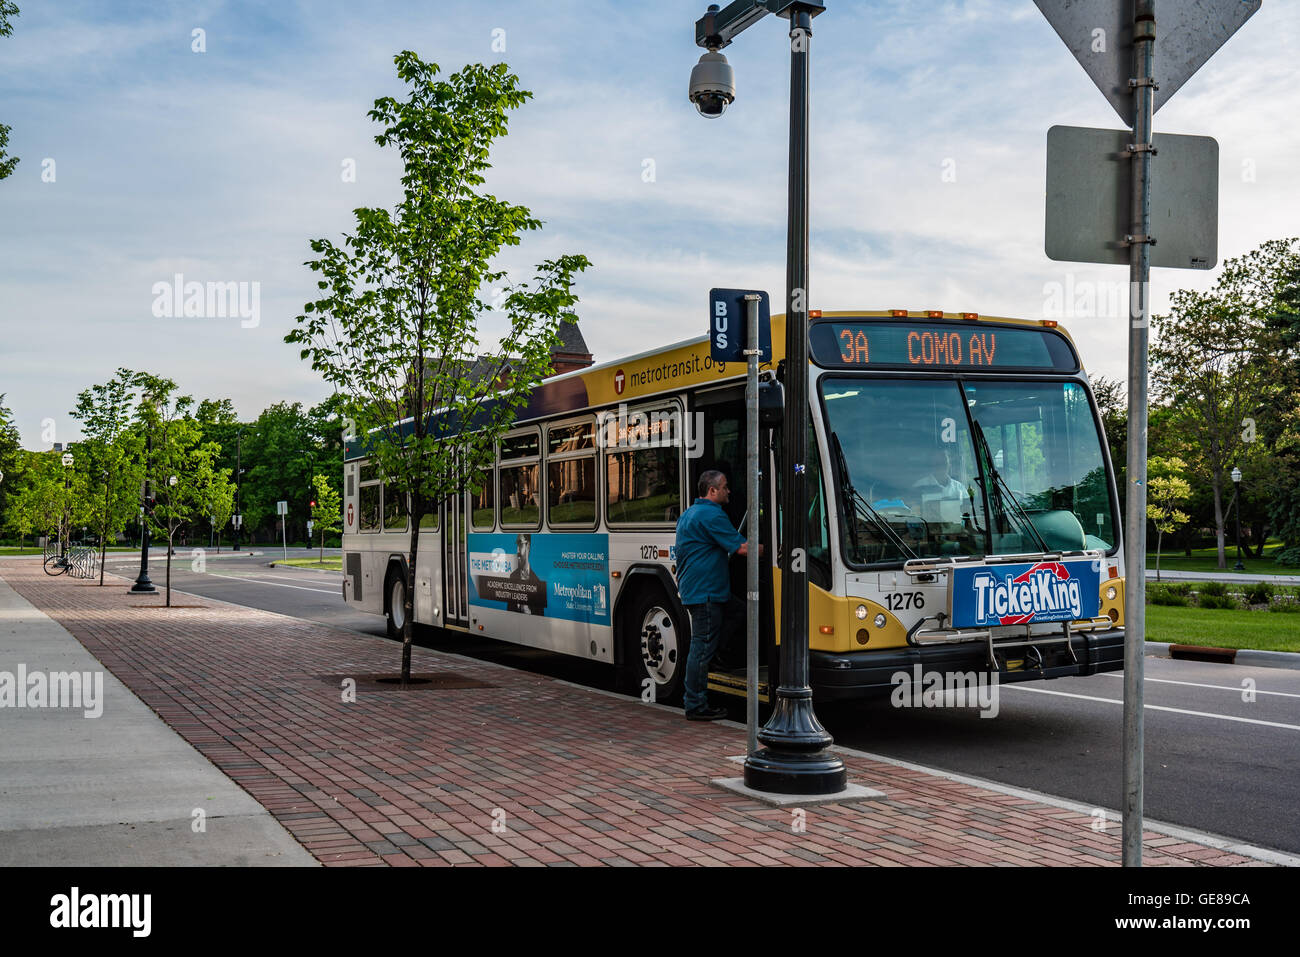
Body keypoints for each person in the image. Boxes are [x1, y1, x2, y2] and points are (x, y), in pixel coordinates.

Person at [674, 470, 760, 721]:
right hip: (706, 592)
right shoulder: (712, 515)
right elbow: (743, 548)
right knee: (701, 647)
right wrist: (780, 549)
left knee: (737, 611)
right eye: (724, 487)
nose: (728, 491)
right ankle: (695, 704)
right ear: (712, 491)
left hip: (701, 589)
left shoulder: (690, 513)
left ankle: (716, 656)